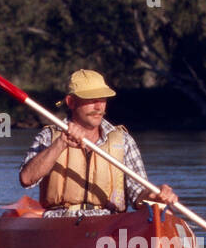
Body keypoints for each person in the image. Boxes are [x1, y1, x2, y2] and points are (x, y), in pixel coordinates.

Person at [18, 69, 179, 217]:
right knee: (27, 217)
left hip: (109, 223)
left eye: (102, 99)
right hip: (60, 221)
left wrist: (155, 196)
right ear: (71, 102)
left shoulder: (123, 140)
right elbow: (26, 179)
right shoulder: (49, 136)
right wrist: (60, 143)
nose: (98, 106)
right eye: (90, 99)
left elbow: (138, 194)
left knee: (162, 211)